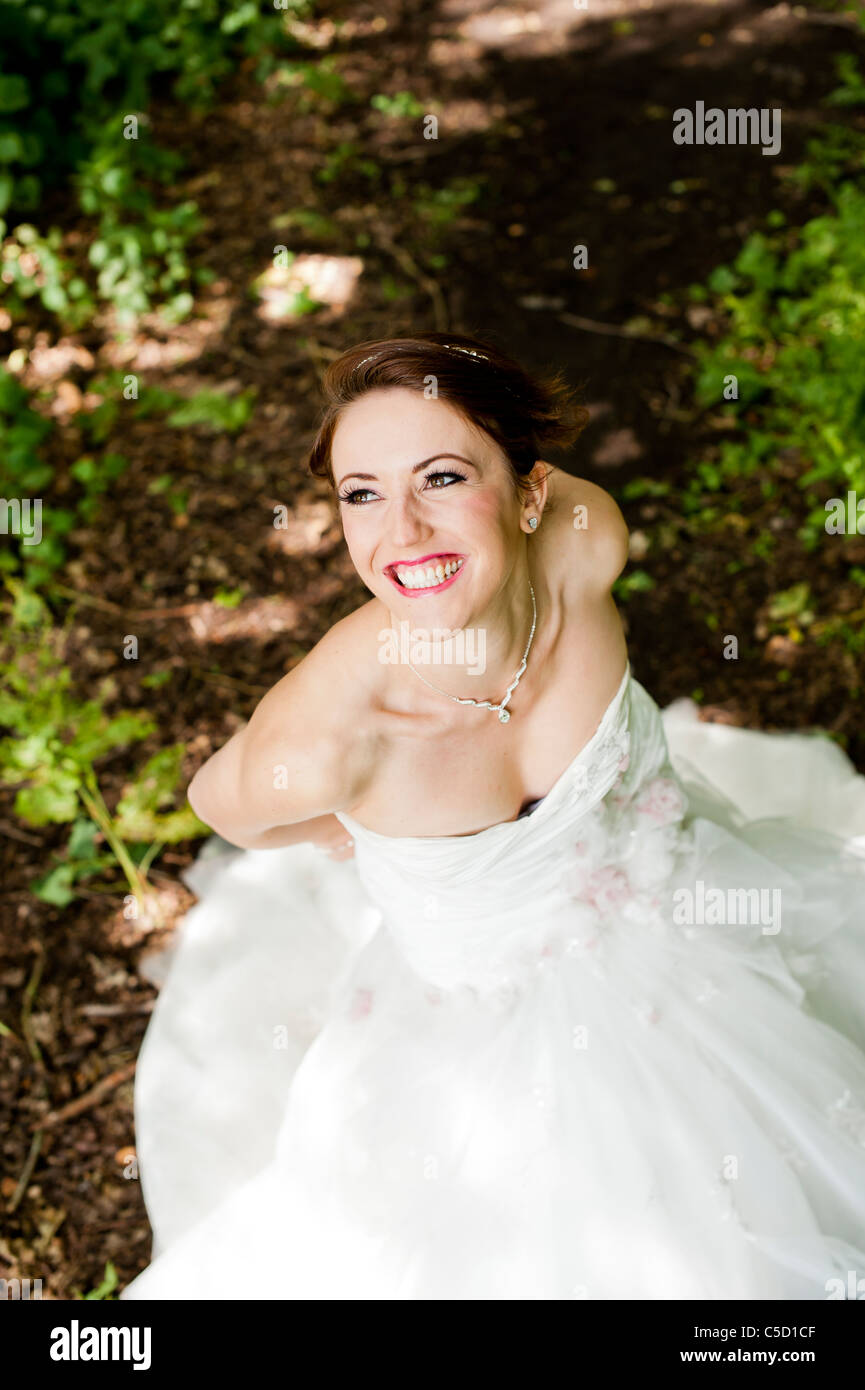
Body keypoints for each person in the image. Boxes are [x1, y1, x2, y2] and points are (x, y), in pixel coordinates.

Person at [121, 332, 865, 1300]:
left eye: (440, 476)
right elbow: (222, 807)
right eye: (361, 493)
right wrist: (342, 833)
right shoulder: (322, 744)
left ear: (528, 491)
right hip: (495, 1043)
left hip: (703, 916)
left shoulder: (584, 544)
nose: (402, 531)